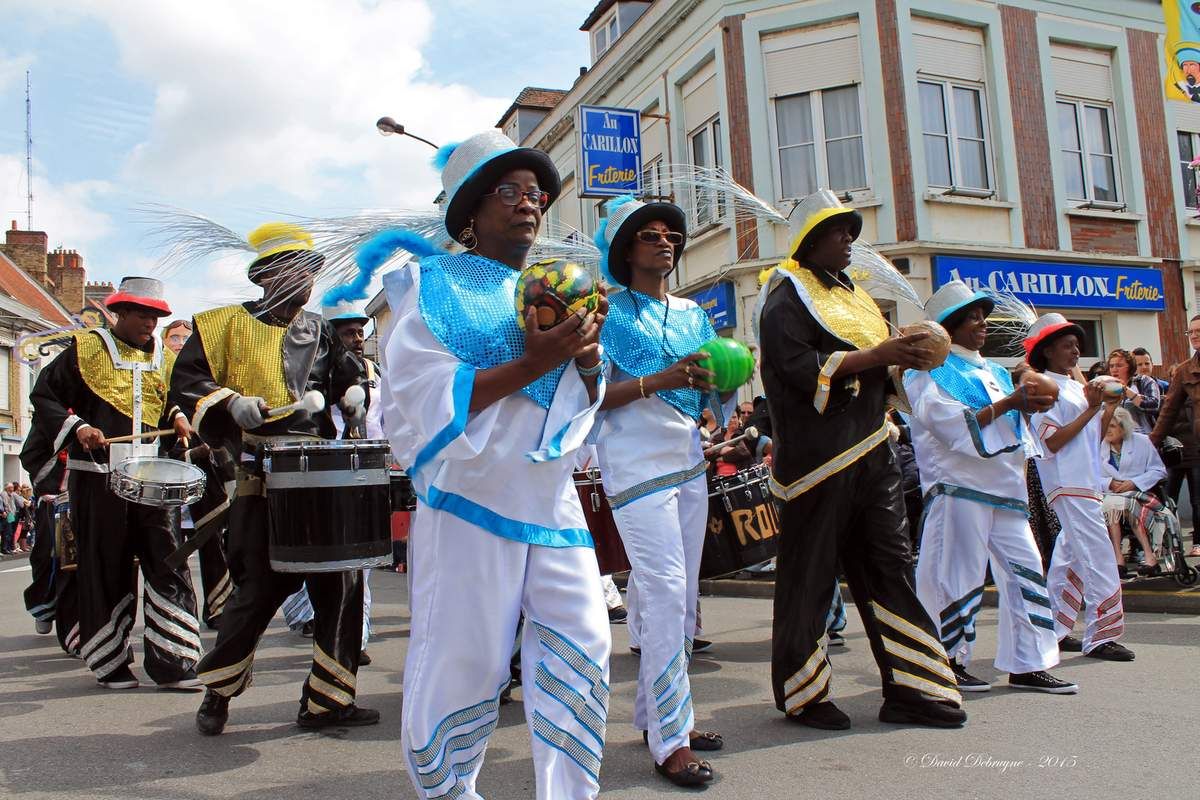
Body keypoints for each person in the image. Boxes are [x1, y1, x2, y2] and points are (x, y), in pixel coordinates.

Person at [377, 130, 610, 800]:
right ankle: (450, 793)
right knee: (466, 664)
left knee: (584, 645)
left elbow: (581, 402)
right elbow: (421, 395)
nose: (529, 204)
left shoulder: (558, 290)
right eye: (508, 191)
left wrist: (587, 361)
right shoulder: (432, 285)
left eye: (536, 194)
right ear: (470, 214)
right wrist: (533, 363)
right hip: (470, 499)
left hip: (551, 499)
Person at [756, 189, 964, 730]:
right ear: (809, 240)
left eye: (852, 231)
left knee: (891, 565)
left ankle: (916, 687)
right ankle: (804, 694)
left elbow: (877, 370)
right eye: (838, 231)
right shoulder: (785, 295)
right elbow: (798, 369)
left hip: (874, 450)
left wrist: (904, 361)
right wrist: (880, 355)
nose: (850, 240)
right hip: (817, 465)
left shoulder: (857, 296)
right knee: (811, 577)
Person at [171, 222, 375, 734]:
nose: (301, 280)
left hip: (321, 479)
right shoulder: (218, 326)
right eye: (289, 270)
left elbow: (348, 376)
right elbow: (188, 384)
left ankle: (328, 702)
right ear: (263, 276)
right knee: (256, 591)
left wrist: (354, 395)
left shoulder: (322, 331)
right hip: (260, 479)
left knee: (341, 588)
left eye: (308, 271)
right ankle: (217, 694)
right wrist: (226, 402)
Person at [592, 194, 726, 787]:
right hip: (634, 466)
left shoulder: (694, 312)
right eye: (649, 235)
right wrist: (659, 380)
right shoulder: (605, 312)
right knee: (667, 593)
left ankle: (663, 716)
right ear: (624, 250)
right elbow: (590, 398)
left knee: (681, 594)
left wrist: (715, 394)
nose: (665, 242)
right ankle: (671, 742)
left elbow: (704, 388)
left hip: (688, 463)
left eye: (671, 233)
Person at [26, 277, 202, 688]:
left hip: (153, 479)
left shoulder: (164, 356)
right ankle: (111, 662)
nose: (150, 323)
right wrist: (77, 426)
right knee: (106, 566)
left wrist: (176, 416)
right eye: (142, 314)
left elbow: (165, 398)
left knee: (169, 563)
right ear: (120, 313)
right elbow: (44, 395)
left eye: (155, 316)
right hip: (99, 480)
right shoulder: (85, 349)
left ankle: (174, 662)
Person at [906, 281, 1076, 695]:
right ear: (947, 327)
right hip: (957, 488)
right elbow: (946, 424)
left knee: (1027, 573)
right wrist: (1013, 403)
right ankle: (946, 660)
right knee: (955, 576)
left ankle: (1029, 663)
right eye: (970, 317)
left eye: (982, 315)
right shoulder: (925, 371)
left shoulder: (997, 371)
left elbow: (1012, 429)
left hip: (1006, 489)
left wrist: (1032, 405)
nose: (982, 323)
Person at [1025, 314, 1134, 661]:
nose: (1076, 351)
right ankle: (1103, 635)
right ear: (1047, 350)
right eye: (1067, 345)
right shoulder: (1043, 387)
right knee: (1098, 555)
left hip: (1085, 480)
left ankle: (1054, 628)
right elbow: (1052, 443)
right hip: (1067, 483)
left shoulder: (1076, 386)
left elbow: (1093, 439)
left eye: (1077, 345)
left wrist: (1105, 409)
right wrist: (1091, 409)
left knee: (1069, 558)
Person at [281, 300, 380, 665]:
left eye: (360, 332)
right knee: (316, 558)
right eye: (348, 333)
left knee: (361, 561)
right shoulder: (312, 372)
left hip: (365, 471)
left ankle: (356, 636)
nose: (356, 339)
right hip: (321, 472)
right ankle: (311, 618)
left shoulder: (375, 372)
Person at [1150, 313, 1200, 556]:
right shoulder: (1184, 371)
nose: (1195, 336)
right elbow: (1167, 411)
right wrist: (1150, 445)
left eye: (1199, 331)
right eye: (1192, 332)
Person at [1102, 407, 1171, 579]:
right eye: (1105, 426)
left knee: (1123, 504)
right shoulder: (1098, 446)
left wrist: (1134, 482)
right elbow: (1089, 476)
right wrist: (1108, 482)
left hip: (1140, 494)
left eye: (1112, 426)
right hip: (1108, 496)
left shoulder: (1141, 442)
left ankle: (1145, 555)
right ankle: (1120, 557)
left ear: (1123, 427)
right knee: (1114, 504)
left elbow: (1158, 470)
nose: (1107, 430)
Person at [1106, 348, 1160, 433]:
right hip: (1116, 440)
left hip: (1142, 438)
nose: (1114, 369)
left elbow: (1154, 405)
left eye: (1119, 365)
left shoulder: (1143, 381)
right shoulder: (1107, 386)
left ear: (1130, 367)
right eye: (1111, 366)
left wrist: (1126, 390)